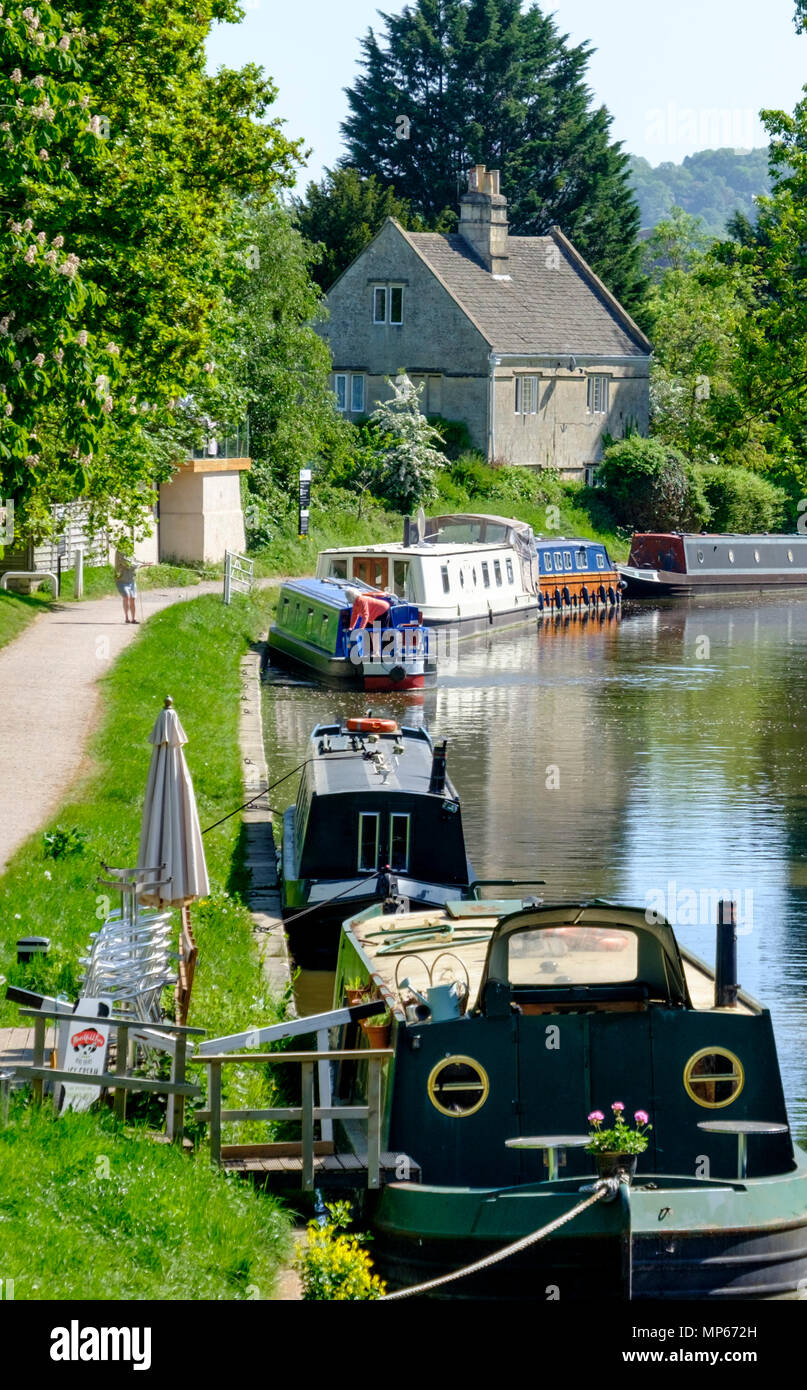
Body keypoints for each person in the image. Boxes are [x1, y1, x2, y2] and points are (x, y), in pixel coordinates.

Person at [114, 547, 140, 624]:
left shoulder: (131, 553)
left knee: (132, 598)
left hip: (131, 580)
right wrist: (139, 565)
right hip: (121, 580)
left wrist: (145, 563)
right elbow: (128, 564)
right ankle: (126, 618)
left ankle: (133, 619)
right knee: (126, 597)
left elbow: (135, 561)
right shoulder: (120, 552)